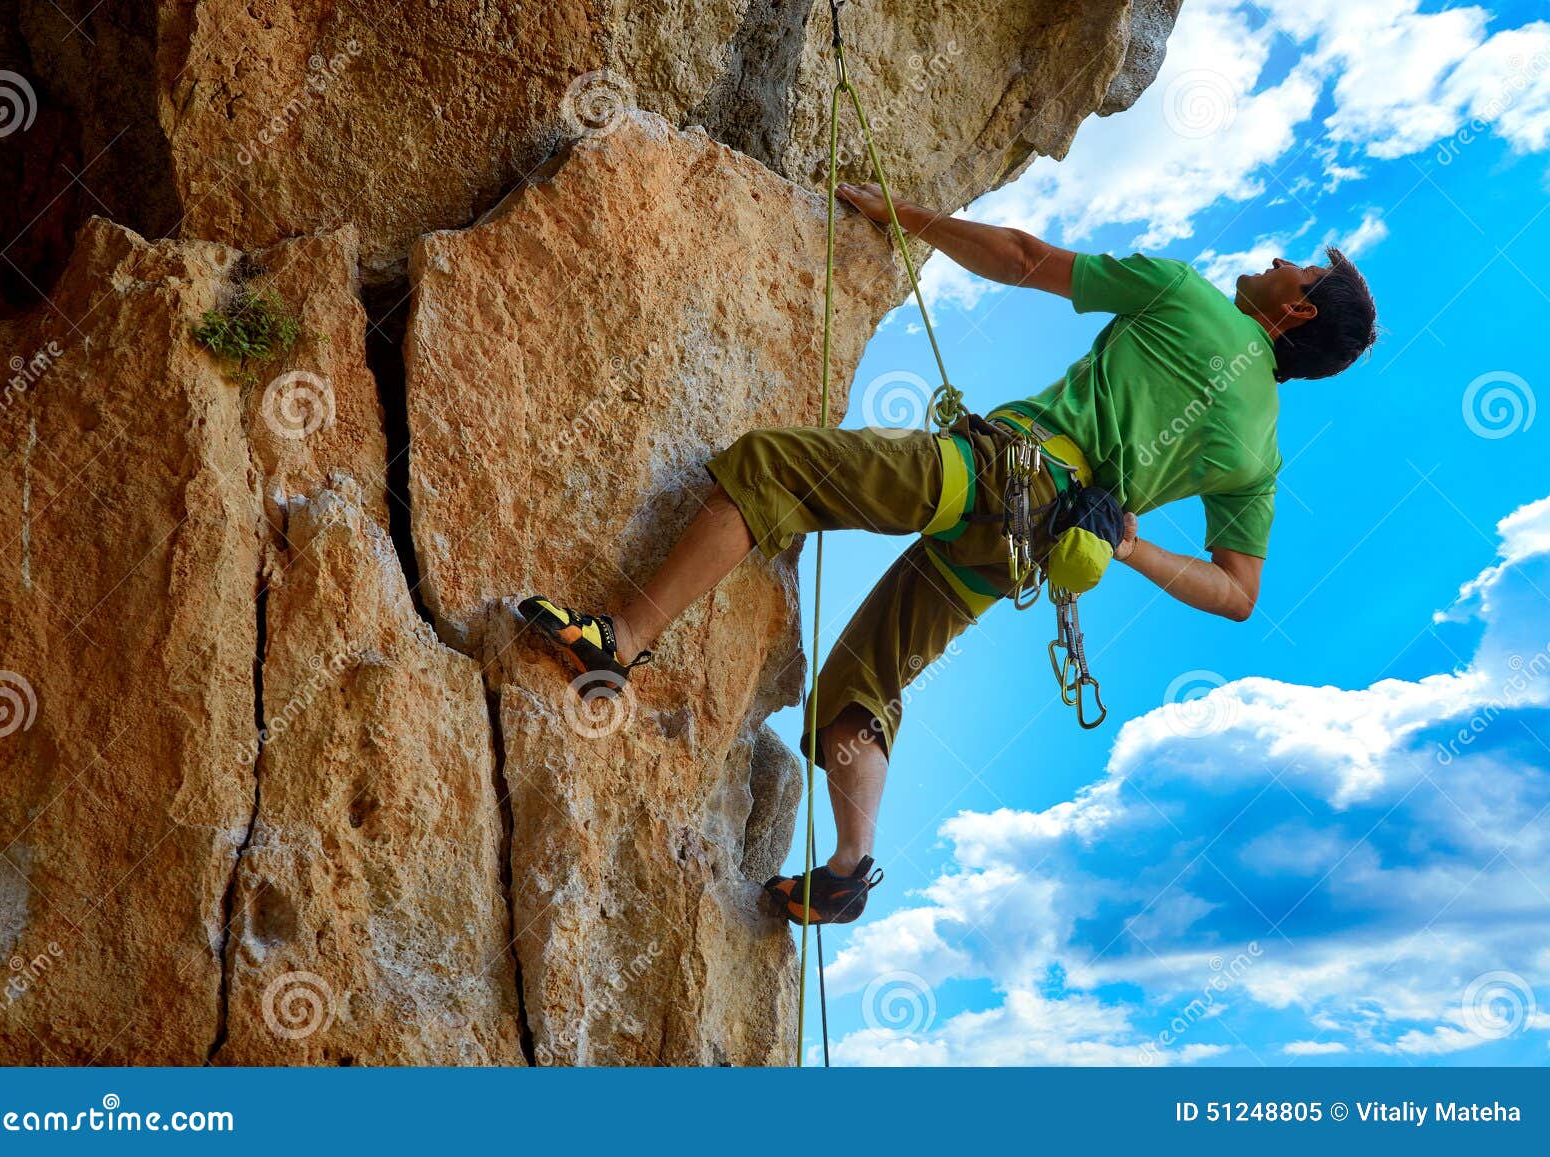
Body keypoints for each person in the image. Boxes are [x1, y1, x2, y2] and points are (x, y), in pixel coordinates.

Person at [519, 181, 1378, 927]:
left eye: (1295, 268)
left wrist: (906, 218)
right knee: (862, 686)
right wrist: (1131, 544)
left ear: (1294, 309)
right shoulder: (1260, 453)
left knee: (771, 467)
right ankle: (849, 869)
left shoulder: (1189, 296)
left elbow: (1023, 255)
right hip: (1031, 551)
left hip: (990, 474)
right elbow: (1238, 593)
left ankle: (616, 642)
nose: (1276, 260)